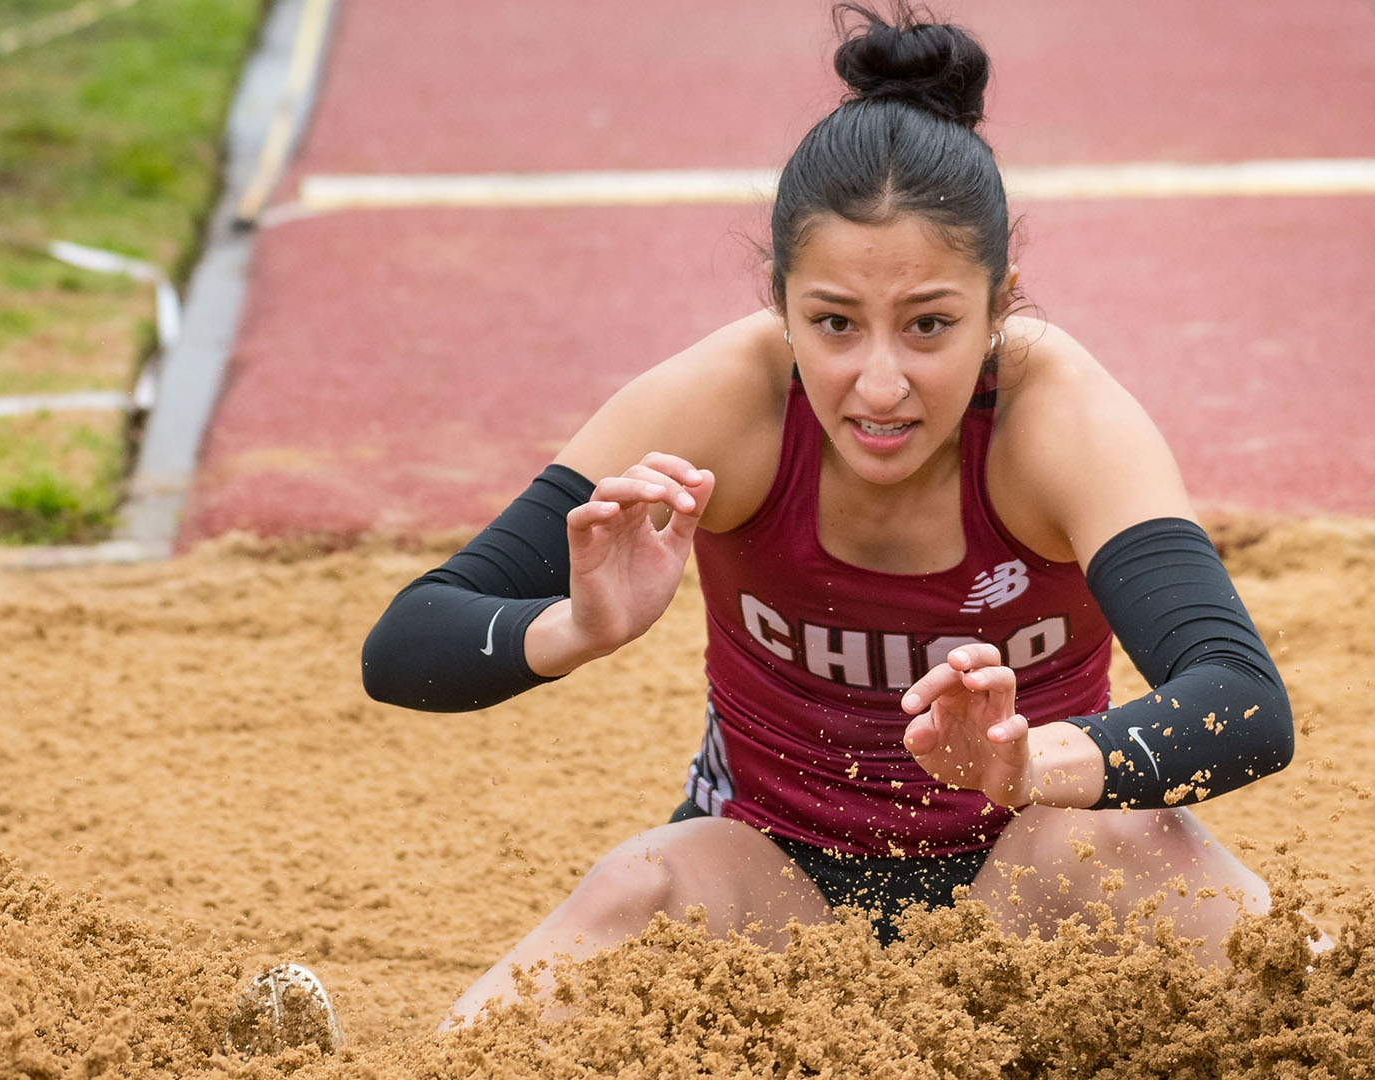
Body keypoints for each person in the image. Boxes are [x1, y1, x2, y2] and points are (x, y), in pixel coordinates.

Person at [360, 2, 1305, 1030]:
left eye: (932, 325)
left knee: (1127, 843)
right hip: (771, 888)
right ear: (781, 303)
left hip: (1031, 895)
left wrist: (1041, 762)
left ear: (1002, 308)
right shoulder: (727, 400)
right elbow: (407, 640)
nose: (881, 384)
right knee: (639, 882)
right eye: (835, 325)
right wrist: (574, 628)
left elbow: (1243, 699)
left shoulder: (1060, 419)